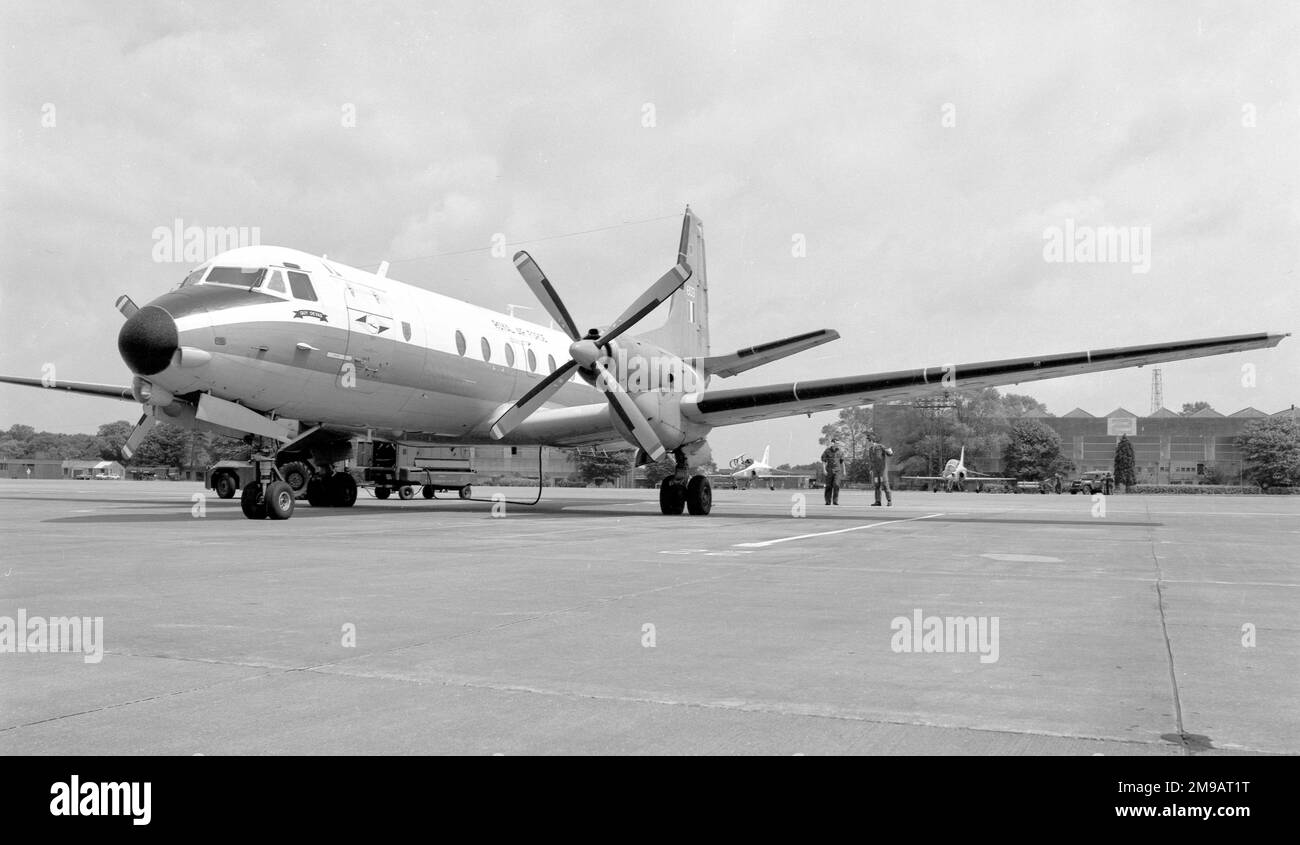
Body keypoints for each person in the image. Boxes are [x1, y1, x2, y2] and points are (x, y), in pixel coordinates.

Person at [866, 430, 894, 506]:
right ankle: (878, 501)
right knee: (877, 485)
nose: (868, 442)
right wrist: (871, 469)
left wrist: (890, 452)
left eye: (869, 441)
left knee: (885, 484)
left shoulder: (881, 446)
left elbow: (889, 454)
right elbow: (871, 460)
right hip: (875, 470)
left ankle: (889, 500)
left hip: (882, 469)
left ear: (872, 440)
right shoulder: (870, 449)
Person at [820, 437, 846, 505]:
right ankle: (828, 501)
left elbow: (842, 462)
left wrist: (844, 471)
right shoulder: (827, 451)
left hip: (837, 470)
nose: (838, 444)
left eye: (838, 443)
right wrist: (824, 469)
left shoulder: (840, 451)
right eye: (836, 443)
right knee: (828, 486)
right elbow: (823, 461)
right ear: (832, 443)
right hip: (829, 470)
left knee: (836, 485)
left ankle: (835, 501)